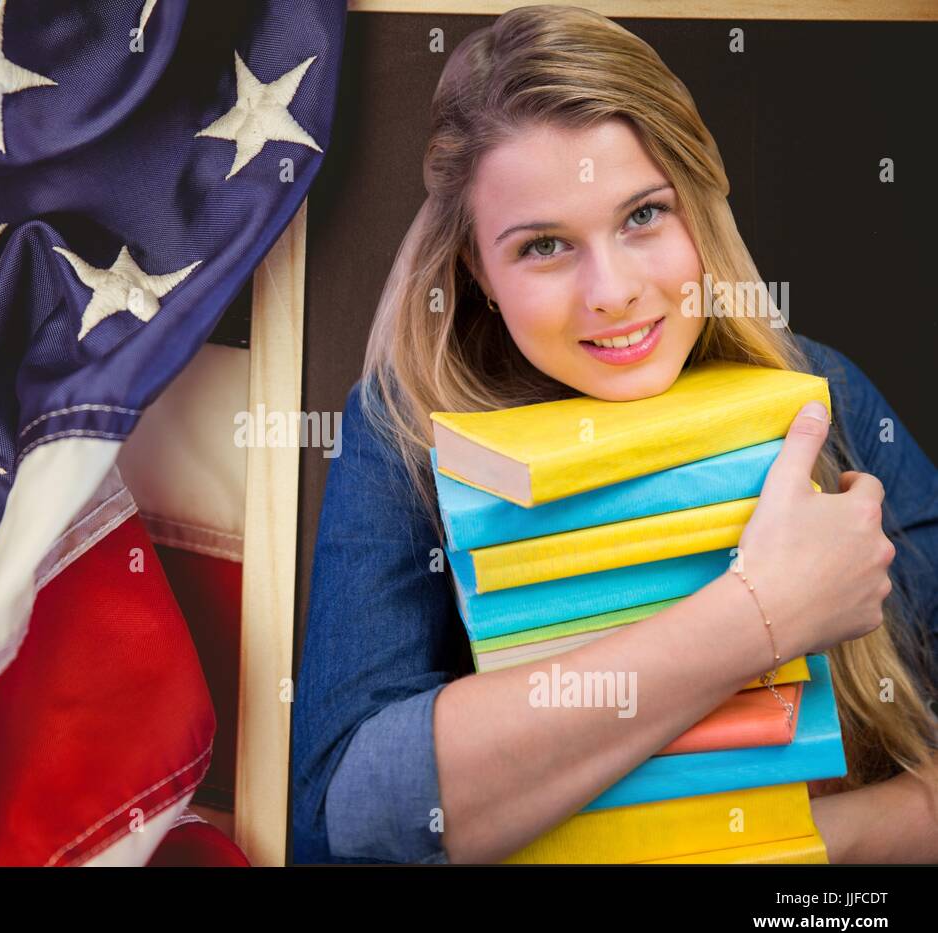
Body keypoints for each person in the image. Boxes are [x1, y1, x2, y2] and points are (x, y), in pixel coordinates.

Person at [290, 5, 938, 865]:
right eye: (545, 245)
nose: (614, 291)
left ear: (701, 203)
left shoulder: (825, 392)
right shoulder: (403, 430)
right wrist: (759, 616)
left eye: (643, 217)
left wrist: (793, 850)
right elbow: (347, 818)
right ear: (477, 270)